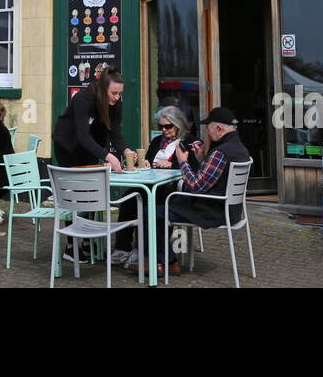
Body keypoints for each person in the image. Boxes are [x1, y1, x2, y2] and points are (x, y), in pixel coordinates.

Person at [150, 107, 252, 275]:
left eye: (208, 128)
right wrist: (201, 158)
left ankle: (167, 262)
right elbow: (214, 178)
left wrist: (183, 162)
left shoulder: (220, 152)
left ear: (219, 128)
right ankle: (161, 259)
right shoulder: (240, 149)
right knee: (165, 205)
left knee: (152, 212)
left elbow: (195, 186)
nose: (207, 133)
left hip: (211, 211)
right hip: (232, 211)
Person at [119, 106, 193, 269]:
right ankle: (122, 247)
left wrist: (171, 164)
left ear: (178, 124)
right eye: (161, 126)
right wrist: (145, 162)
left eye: (168, 126)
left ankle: (146, 252)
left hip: (173, 188)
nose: (164, 130)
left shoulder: (187, 142)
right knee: (129, 198)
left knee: (152, 204)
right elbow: (149, 160)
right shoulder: (156, 141)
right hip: (151, 184)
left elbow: (192, 167)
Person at [52, 65, 132, 171]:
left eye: (120, 93)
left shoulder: (116, 105)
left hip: (90, 145)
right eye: (114, 93)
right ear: (103, 89)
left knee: (91, 178)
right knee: (75, 179)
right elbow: (83, 136)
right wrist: (108, 156)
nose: (117, 97)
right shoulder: (83, 99)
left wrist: (126, 151)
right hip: (68, 144)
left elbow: (115, 134)